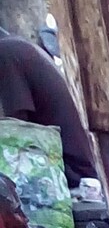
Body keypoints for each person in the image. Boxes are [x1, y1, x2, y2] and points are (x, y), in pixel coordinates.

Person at [0, 30, 95, 185]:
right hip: (71, 165)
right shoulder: (16, 46)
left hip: (68, 171)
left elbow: (13, 133)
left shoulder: (5, 54)